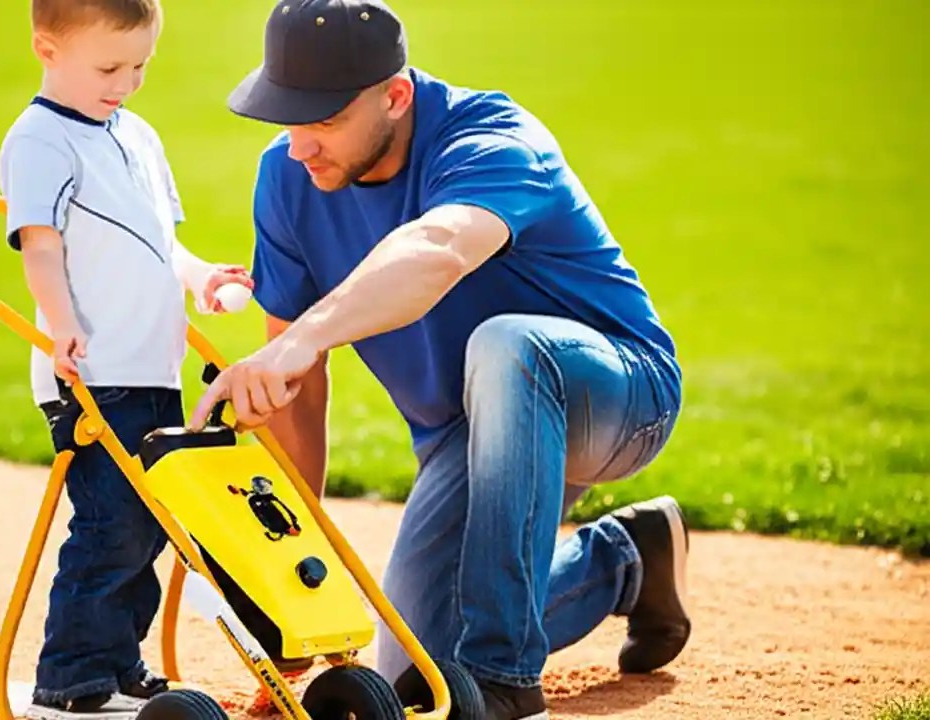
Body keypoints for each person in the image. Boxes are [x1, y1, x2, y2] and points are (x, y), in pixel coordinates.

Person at [189, 1, 691, 718]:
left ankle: (504, 678)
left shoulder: (493, 139)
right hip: (465, 434)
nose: (301, 147)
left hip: (614, 395)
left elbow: (436, 250)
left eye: (323, 120)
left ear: (395, 97)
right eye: (287, 118)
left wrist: (304, 336)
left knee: (508, 344)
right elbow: (295, 390)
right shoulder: (288, 178)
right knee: (416, 674)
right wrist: (288, 583)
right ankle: (626, 560)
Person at [0, 1, 252, 717]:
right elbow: (40, 247)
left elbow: (161, 245)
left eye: (141, 64)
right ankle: (71, 674)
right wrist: (63, 323)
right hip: (93, 373)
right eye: (110, 67)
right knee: (112, 526)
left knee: (152, 528)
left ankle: (117, 658)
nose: (128, 81)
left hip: (153, 369)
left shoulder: (136, 135)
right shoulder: (40, 140)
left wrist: (203, 278)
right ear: (47, 48)